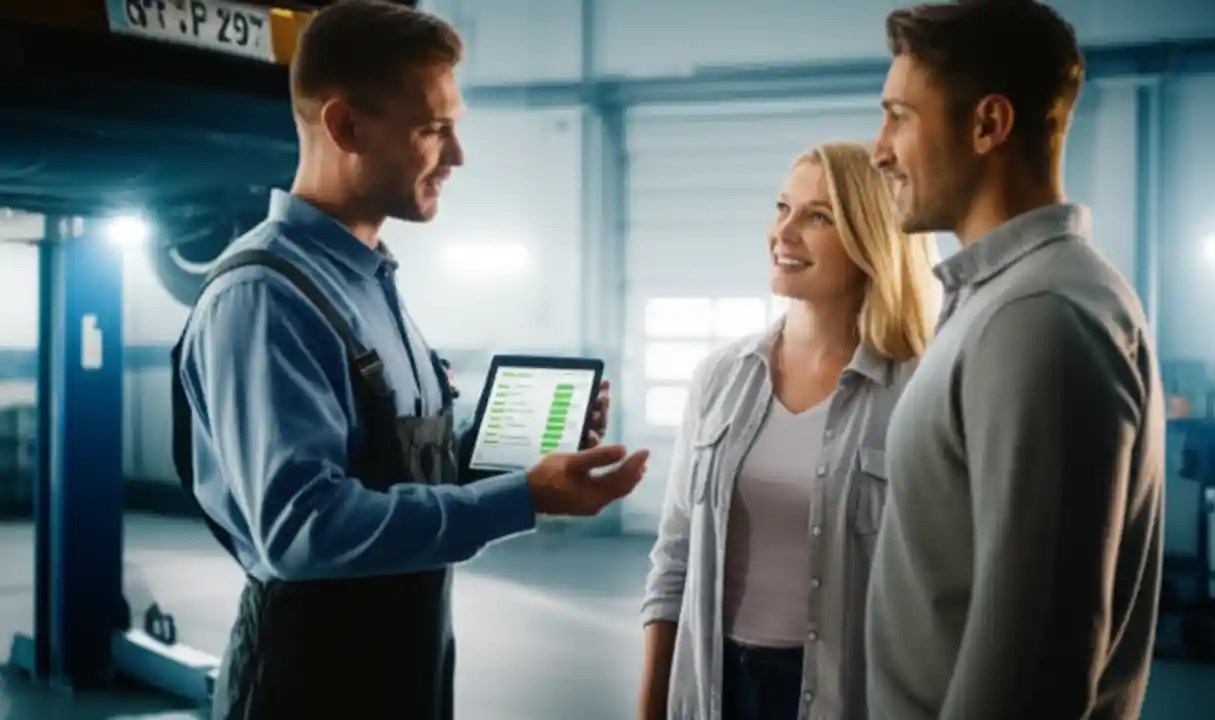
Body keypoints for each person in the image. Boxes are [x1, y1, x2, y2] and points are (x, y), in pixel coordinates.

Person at [169, 2, 649, 718]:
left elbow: (394, 462)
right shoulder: (263, 297)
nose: (457, 157)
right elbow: (303, 528)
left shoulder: (371, 281)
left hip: (406, 668)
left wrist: (513, 451)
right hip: (308, 686)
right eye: (433, 130)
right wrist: (524, 497)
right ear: (346, 126)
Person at [866, 2, 1166, 719]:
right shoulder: (996, 301)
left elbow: (1033, 666)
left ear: (988, 125)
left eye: (900, 116)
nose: (879, 148)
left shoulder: (1038, 317)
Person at [638, 141, 941, 720]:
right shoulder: (720, 377)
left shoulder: (919, 391)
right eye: (783, 207)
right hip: (713, 687)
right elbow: (674, 559)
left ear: (871, 237)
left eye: (818, 216)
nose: (785, 231)